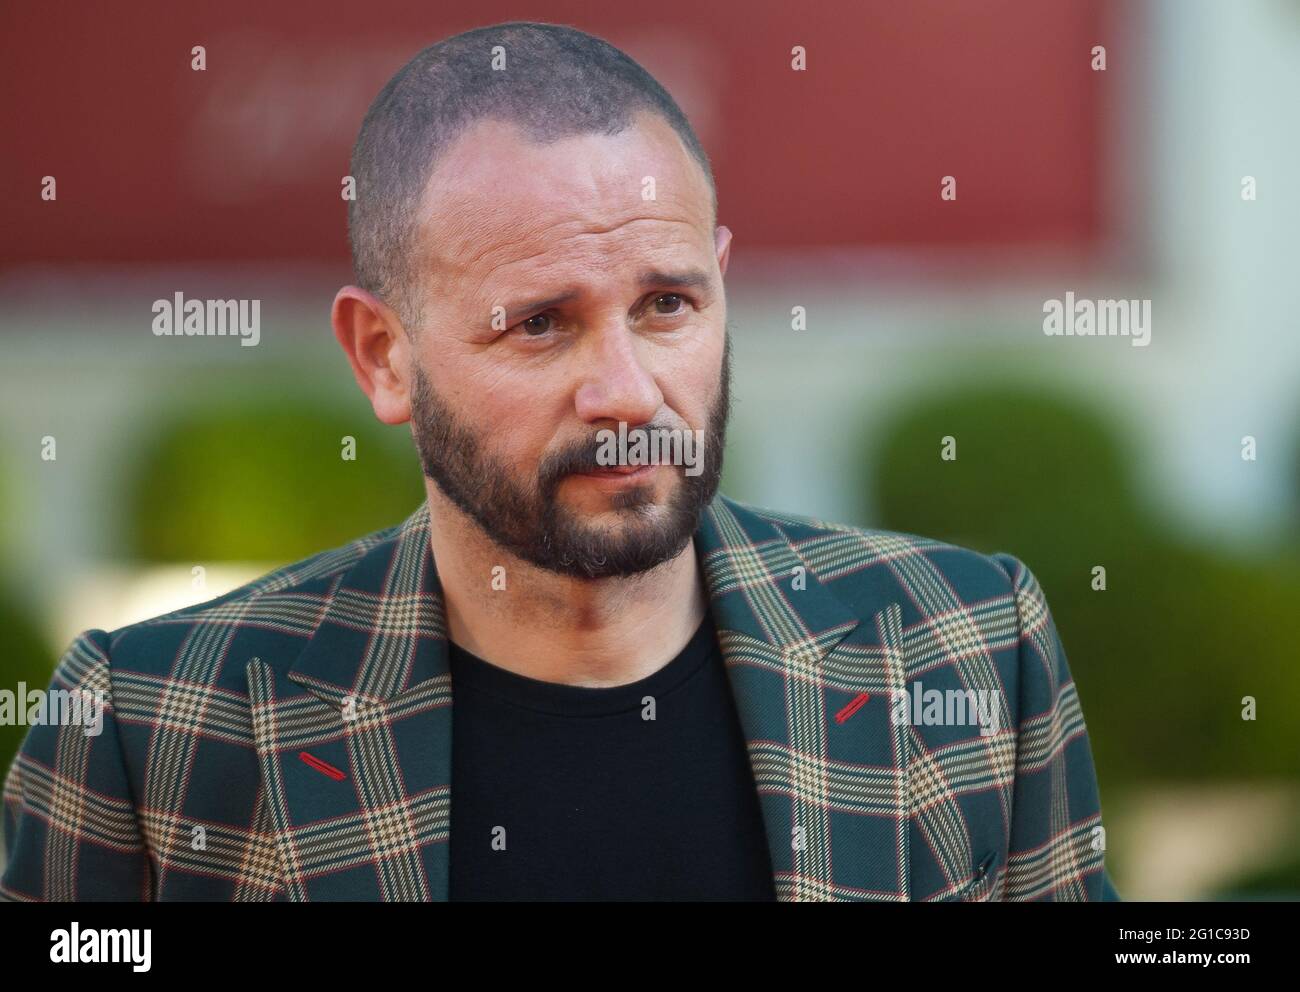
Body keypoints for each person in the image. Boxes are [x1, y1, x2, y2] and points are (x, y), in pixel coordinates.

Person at [1, 20, 1118, 901]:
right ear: (384, 357)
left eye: (668, 303)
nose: (626, 389)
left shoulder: (969, 649)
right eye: (538, 322)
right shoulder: (151, 728)